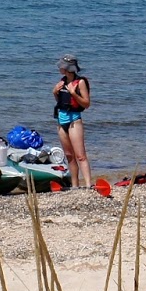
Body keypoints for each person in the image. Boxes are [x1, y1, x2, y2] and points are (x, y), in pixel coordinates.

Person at [52, 54, 92, 189]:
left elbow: (86, 104)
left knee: (80, 155)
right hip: (61, 119)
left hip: (74, 119)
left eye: (61, 66)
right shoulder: (62, 82)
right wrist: (55, 93)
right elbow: (62, 102)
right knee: (69, 155)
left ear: (67, 68)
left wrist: (74, 93)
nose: (59, 68)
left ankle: (88, 184)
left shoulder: (80, 82)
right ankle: (75, 185)